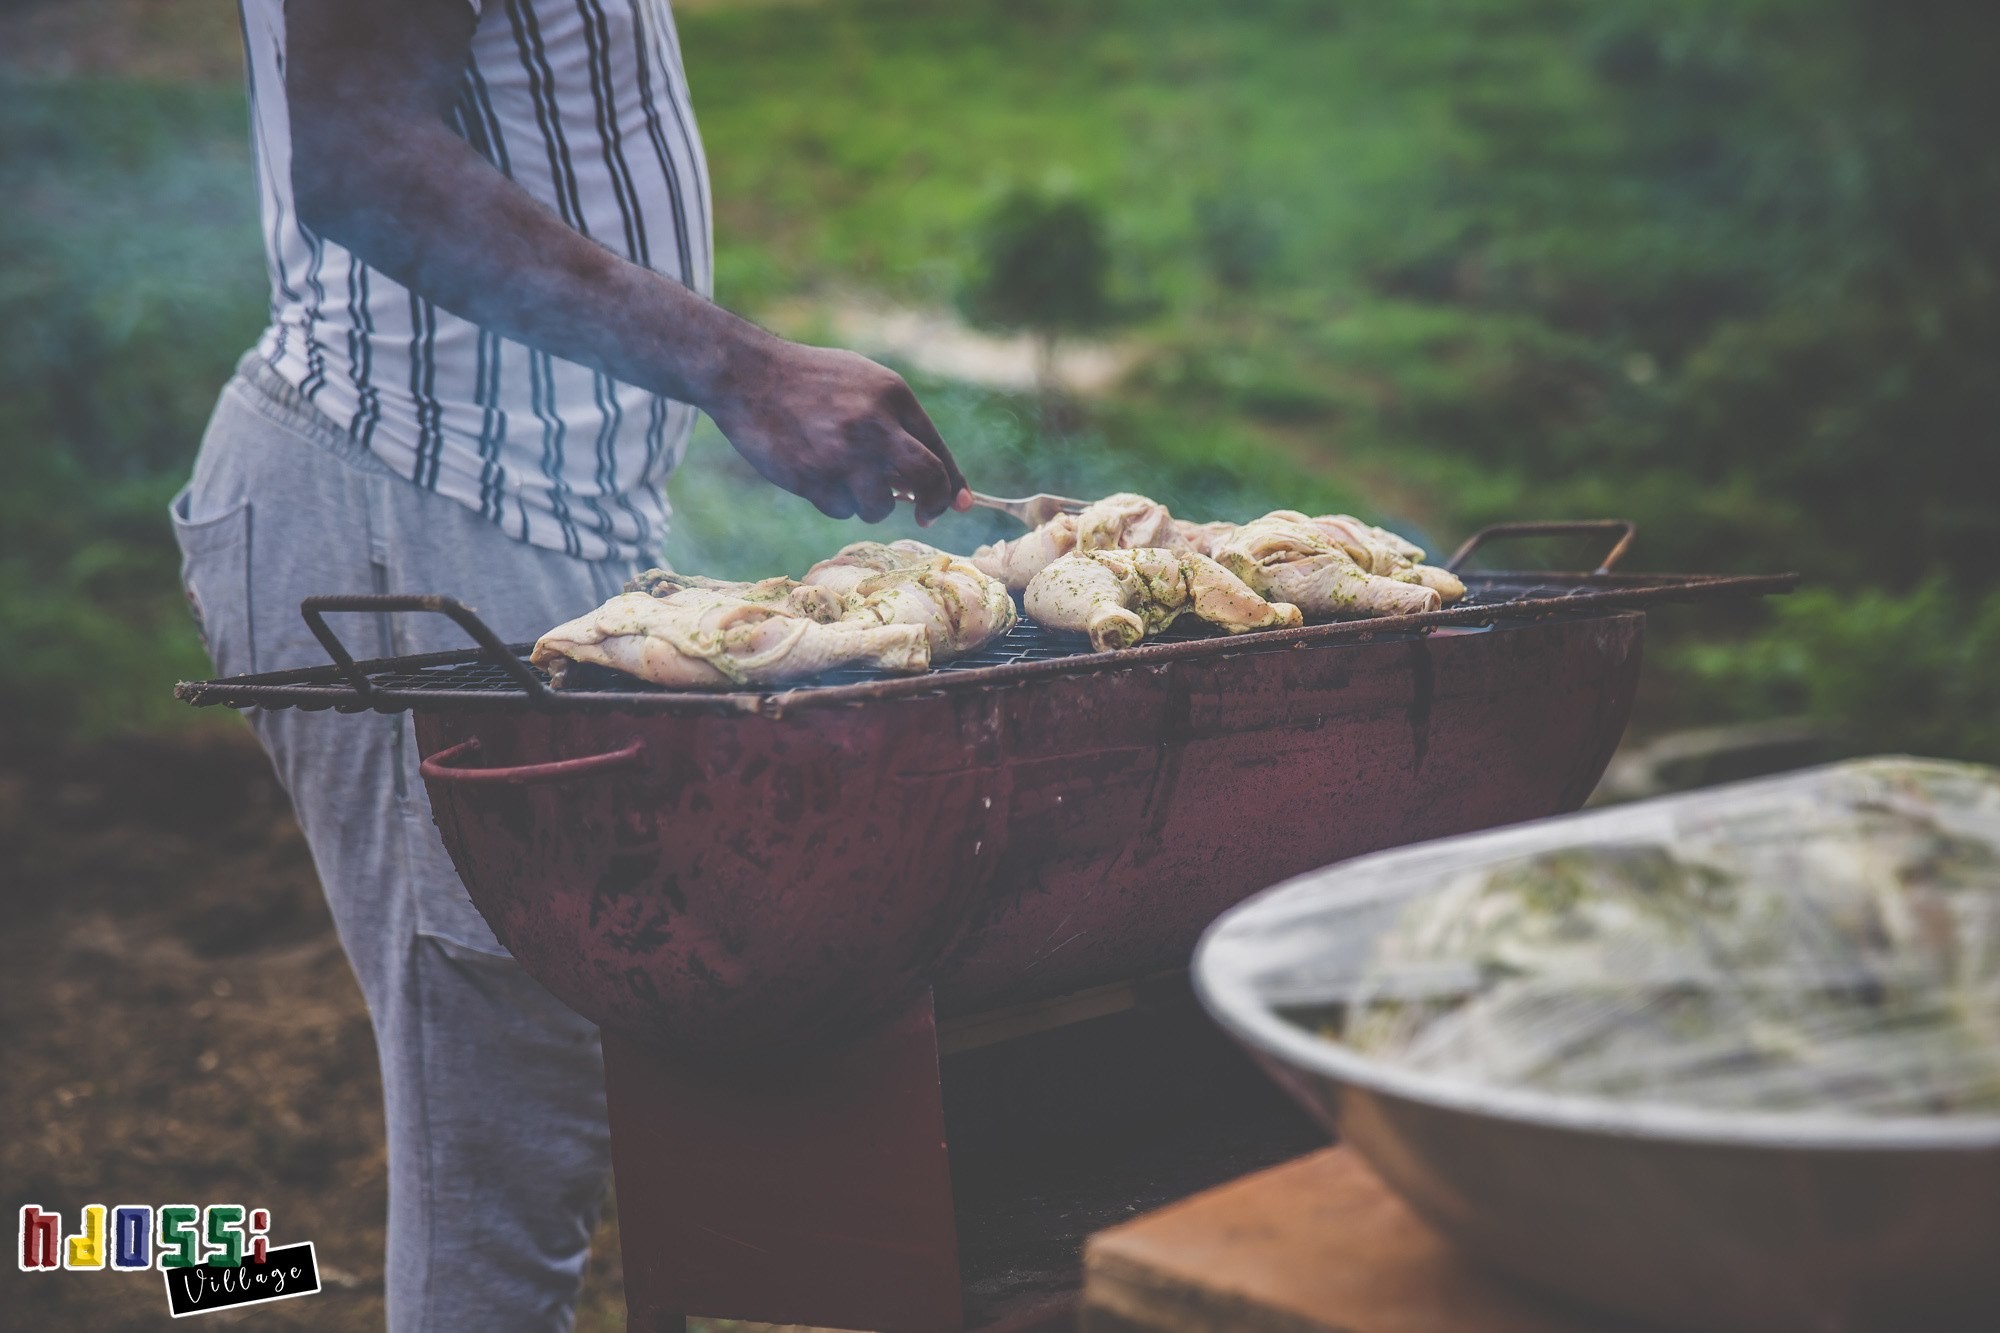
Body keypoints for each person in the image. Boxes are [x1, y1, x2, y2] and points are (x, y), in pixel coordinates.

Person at [170, 2, 970, 1328]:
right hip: (405, 515)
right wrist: (743, 368)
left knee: (543, 1116)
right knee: (499, 1153)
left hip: (521, 530)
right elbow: (361, 154)